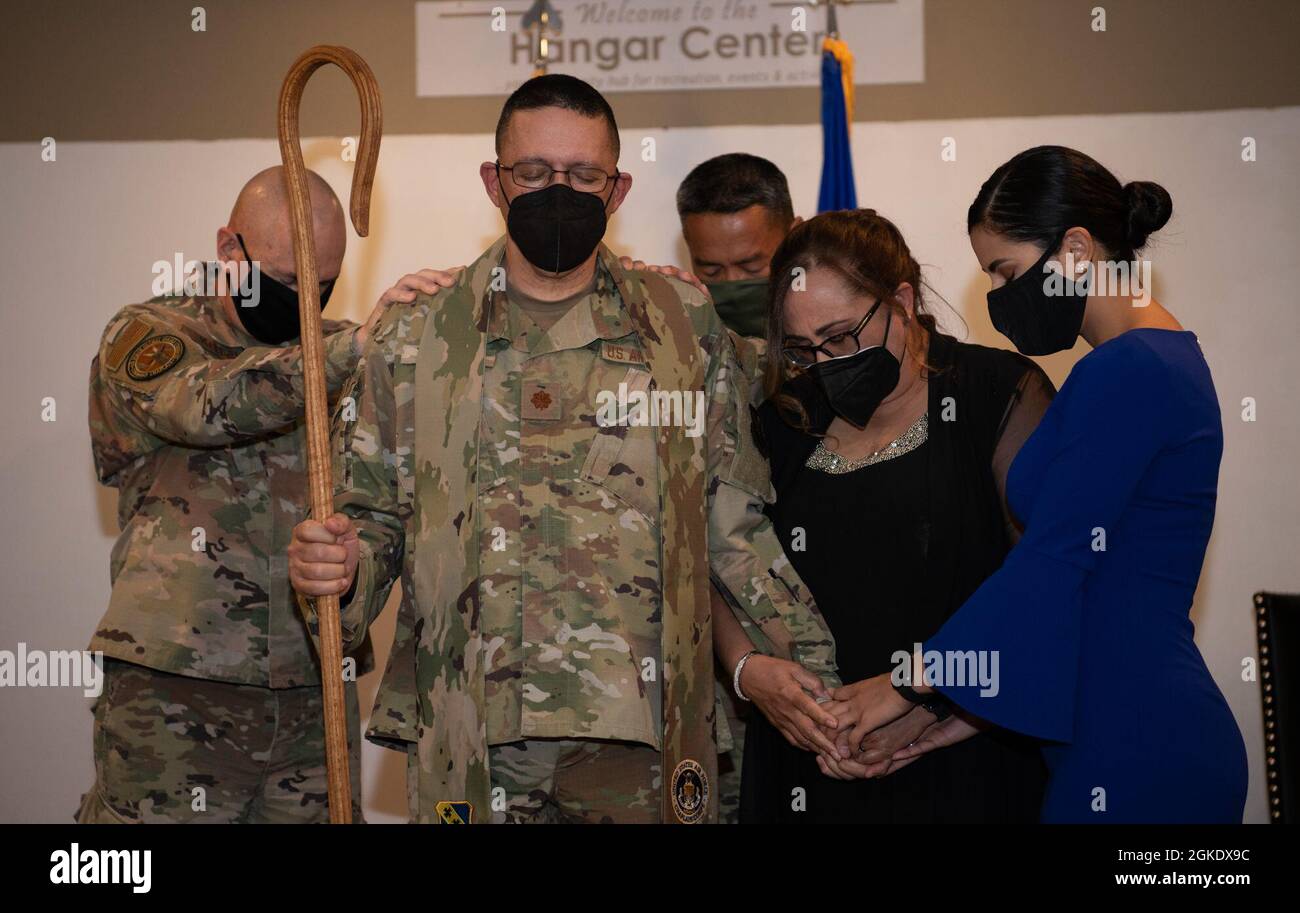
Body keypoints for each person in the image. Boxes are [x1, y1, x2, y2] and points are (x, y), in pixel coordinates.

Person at [287, 74, 840, 824]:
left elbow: (732, 522)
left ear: (616, 190)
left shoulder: (682, 327)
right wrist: (339, 572)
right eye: (534, 172)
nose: (560, 190)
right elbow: (374, 519)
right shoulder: (418, 335)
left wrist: (823, 681)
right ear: (494, 181)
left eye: (584, 175)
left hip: (646, 736)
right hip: (469, 733)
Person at [826, 146, 1249, 823]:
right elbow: (1090, 589)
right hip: (1108, 728)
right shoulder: (1143, 360)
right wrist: (968, 713)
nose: (999, 298)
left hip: (1140, 748)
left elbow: (1051, 563)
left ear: (1077, 248)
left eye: (1006, 271)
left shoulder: (1131, 368)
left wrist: (907, 682)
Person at [716, 209, 1051, 823]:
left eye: (843, 336)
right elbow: (719, 568)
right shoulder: (785, 421)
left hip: (961, 750)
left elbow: (1045, 589)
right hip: (806, 760)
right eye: (804, 349)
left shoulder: (995, 395)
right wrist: (749, 671)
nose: (827, 361)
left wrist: (932, 708)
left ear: (901, 299)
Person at [80, 167, 378, 823]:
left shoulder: (351, 355)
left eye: (323, 285)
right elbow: (206, 405)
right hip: (177, 693)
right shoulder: (151, 335)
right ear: (228, 249)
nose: (307, 301)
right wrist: (344, 353)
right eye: (288, 280)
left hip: (314, 691)